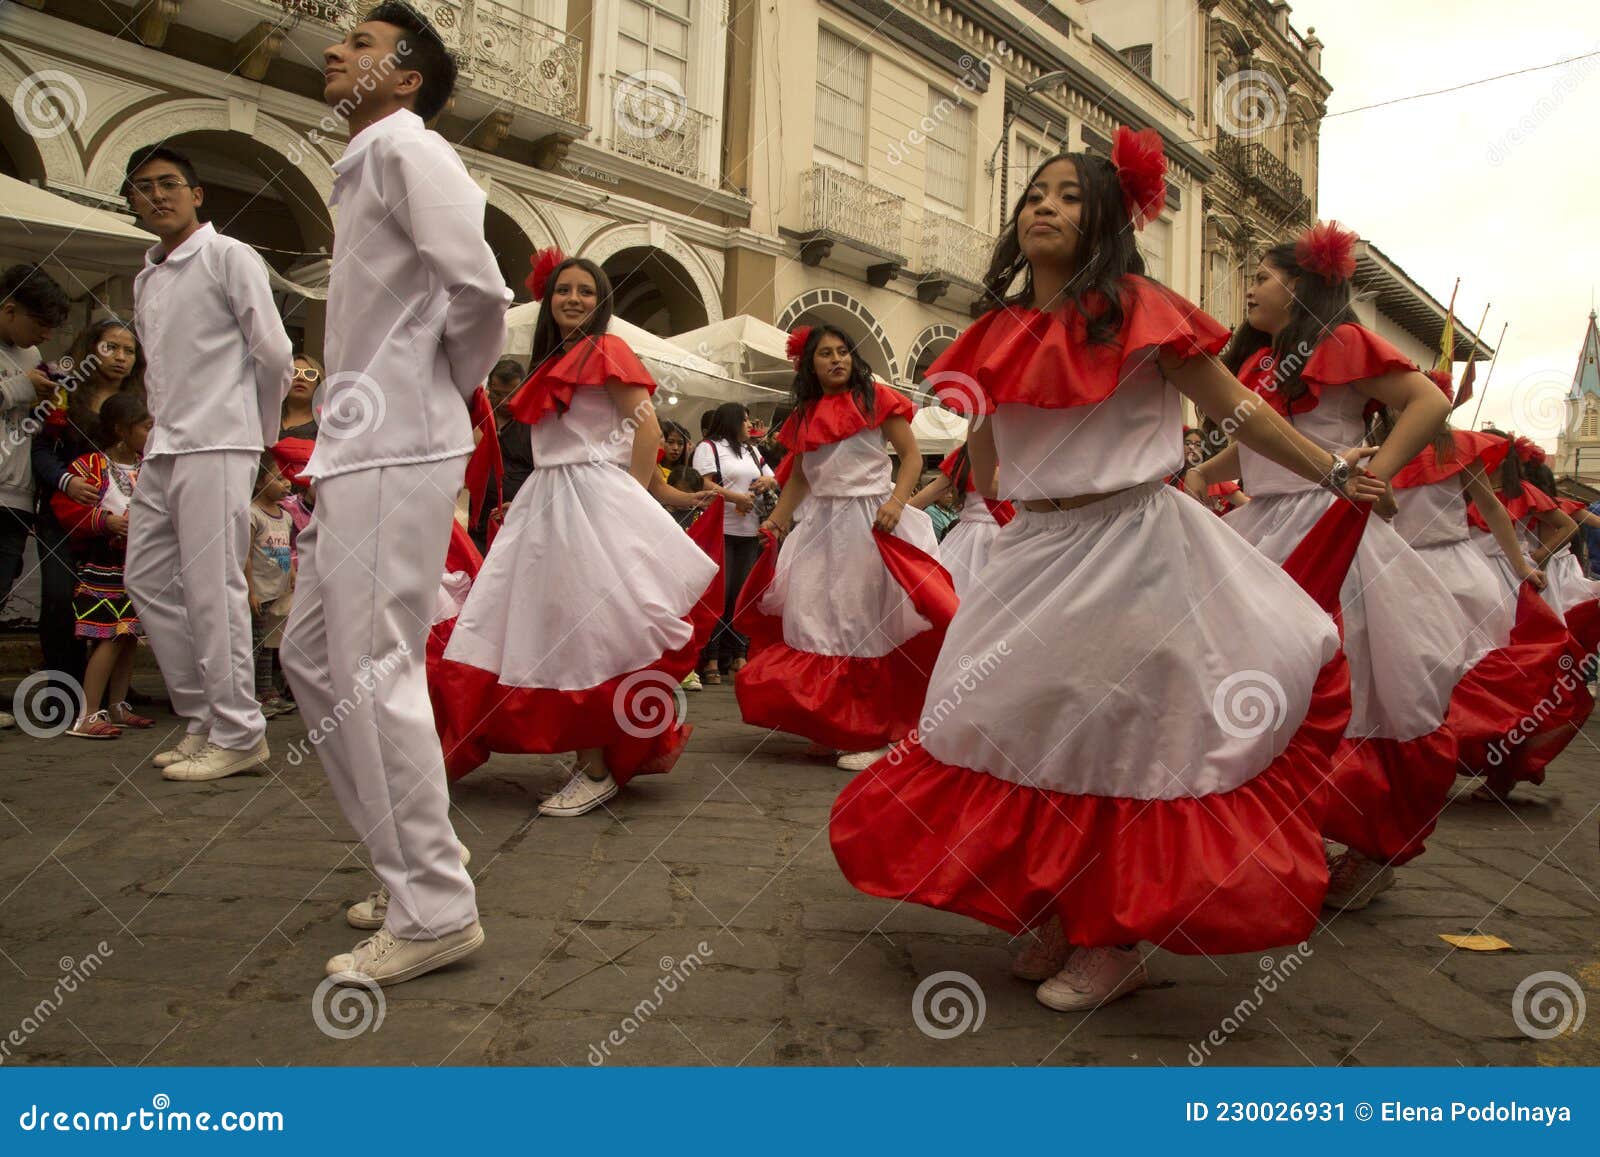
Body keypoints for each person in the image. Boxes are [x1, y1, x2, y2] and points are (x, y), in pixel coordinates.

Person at [830, 132, 1386, 1012]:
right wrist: (959, 466)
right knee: (1007, 720)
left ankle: (1110, 938)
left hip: (1131, 542)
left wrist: (1337, 472)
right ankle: (1055, 904)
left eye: (1069, 195)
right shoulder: (994, 331)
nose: (1043, 205)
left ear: (1110, 220)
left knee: (1122, 736)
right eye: (1033, 194)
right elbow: (985, 453)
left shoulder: (1144, 310)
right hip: (1030, 550)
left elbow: (1239, 409)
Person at [1193, 222, 1525, 910]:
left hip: (1332, 526)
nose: (1250, 287)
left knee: (1356, 686)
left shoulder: (1341, 343)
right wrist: (1196, 474)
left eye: (1262, 275)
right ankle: (1280, 832)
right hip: (1263, 529)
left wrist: (1377, 468)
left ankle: (1367, 842)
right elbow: (1254, 450)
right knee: (1254, 674)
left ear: (1304, 284)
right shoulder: (1256, 366)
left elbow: (1430, 401)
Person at [280, 3, 510, 988]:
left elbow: (482, 294)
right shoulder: (369, 158)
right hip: (361, 443)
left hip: (396, 439)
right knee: (311, 657)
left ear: (406, 76)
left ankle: (434, 904)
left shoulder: (412, 152)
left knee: (376, 664)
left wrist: (430, 390)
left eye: (363, 43)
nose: (337, 49)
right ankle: (409, 867)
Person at [435, 248, 718, 814]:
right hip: (549, 502)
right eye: (564, 290)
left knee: (588, 633)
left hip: (591, 500)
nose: (574, 299)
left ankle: (594, 768)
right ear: (548, 299)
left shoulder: (609, 349)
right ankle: (591, 757)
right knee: (547, 630)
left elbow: (647, 427)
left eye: (586, 291)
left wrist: (630, 499)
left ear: (601, 301)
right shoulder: (551, 360)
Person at [118, 142, 292, 780]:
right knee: (148, 578)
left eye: (168, 184)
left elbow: (273, 352)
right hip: (166, 441)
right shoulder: (146, 276)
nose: (157, 195)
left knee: (213, 585)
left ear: (196, 194)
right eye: (143, 188)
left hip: (220, 439)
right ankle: (203, 718)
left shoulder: (227, 255)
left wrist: (257, 430)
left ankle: (241, 731)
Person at [734, 324, 954, 772]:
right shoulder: (804, 415)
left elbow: (911, 459)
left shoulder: (876, 399)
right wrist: (777, 521)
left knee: (861, 624)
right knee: (816, 620)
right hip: (820, 527)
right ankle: (835, 725)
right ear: (809, 365)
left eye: (843, 352)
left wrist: (896, 502)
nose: (836, 360)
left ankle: (876, 731)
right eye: (825, 354)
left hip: (869, 522)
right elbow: (799, 478)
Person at [33, 317, 141, 708]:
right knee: (61, 597)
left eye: (129, 350)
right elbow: (41, 450)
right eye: (111, 347)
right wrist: (66, 481)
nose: (121, 357)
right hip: (66, 514)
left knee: (123, 600)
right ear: (91, 348)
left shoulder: (141, 402)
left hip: (120, 525)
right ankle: (63, 693)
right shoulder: (63, 392)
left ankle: (113, 694)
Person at [51, 392, 153, 738]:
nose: (150, 435)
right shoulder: (88, 467)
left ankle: (118, 704)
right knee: (108, 635)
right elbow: (65, 507)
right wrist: (103, 521)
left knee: (128, 638)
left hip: (138, 566)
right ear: (121, 430)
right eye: (145, 427)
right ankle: (87, 713)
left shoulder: (149, 468)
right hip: (104, 564)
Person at [0, 265, 70, 728]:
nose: (43, 335)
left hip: (18, 494)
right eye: (38, 323)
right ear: (10, 309)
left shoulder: (30, 351)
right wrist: (23, 386)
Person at [691, 402, 775, 683]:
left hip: (749, 530)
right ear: (732, 421)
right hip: (722, 528)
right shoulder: (709, 448)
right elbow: (703, 484)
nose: (749, 426)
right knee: (719, 595)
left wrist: (765, 482)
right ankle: (711, 657)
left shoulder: (751, 449)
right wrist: (735, 497)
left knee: (741, 596)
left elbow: (772, 477)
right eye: (745, 420)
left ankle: (739, 654)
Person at [908, 441, 1014, 601]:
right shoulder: (966, 454)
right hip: (976, 537)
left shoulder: (1020, 449)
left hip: (990, 536)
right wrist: (897, 511)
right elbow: (930, 492)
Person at [247, 456, 296, 719]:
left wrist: (292, 574)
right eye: (277, 477)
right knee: (253, 644)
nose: (286, 482)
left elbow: (286, 550)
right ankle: (250, 695)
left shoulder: (285, 517)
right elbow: (245, 555)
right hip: (259, 591)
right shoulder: (252, 514)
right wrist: (250, 590)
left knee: (268, 644)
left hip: (277, 591)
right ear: (257, 484)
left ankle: (266, 690)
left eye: (284, 476)